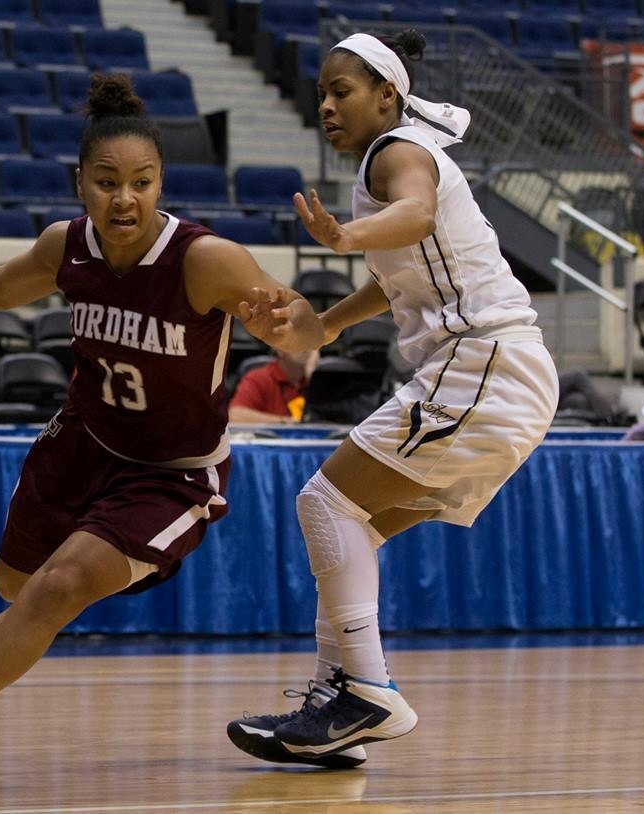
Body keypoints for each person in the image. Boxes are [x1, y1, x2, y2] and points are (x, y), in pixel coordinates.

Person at [0, 74, 347, 793]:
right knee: (17, 586)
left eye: (141, 182)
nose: (124, 198)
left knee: (56, 589)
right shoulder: (66, 245)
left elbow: (299, 320)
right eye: (106, 182)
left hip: (172, 470)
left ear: (161, 183)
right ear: (80, 184)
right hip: (81, 443)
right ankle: (114, 569)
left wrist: (289, 320)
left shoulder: (204, 260)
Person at [227, 30, 559, 767]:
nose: (326, 106)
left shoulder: (398, 153)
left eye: (340, 92)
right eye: (320, 94)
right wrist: (324, 324)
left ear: (386, 95)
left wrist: (343, 237)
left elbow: (413, 215)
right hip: (501, 376)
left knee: (323, 502)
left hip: (485, 364)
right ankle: (333, 708)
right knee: (354, 528)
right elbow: (396, 275)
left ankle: (367, 692)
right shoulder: (388, 162)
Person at [228, 348, 319, 424]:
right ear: (279, 349)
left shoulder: (319, 379)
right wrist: (284, 422)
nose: (306, 348)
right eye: (299, 341)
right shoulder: (258, 378)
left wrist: (314, 377)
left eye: (310, 342)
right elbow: (235, 416)